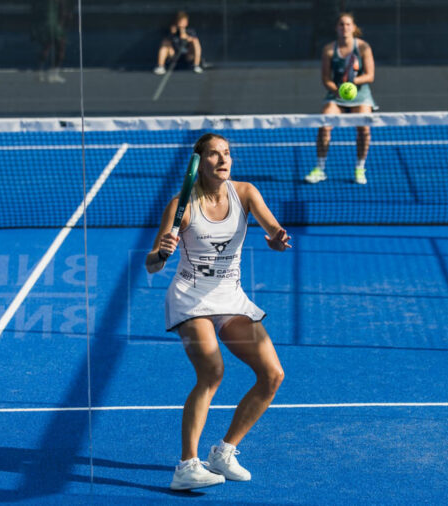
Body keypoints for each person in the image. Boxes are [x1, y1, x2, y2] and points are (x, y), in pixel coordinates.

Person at [146, 133, 290, 491]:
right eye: (214, 154)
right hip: (191, 298)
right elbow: (151, 265)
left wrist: (275, 238)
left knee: (272, 375)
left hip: (229, 297)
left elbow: (272, 229)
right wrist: (162, 251)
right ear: (200, 163)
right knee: (212, 372)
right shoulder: (183, 205)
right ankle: (186, 466)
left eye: (227, 153)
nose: (223, 160)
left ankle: (224, 452)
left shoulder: (245, 194)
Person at [305, 12, 376, 185]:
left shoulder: (364, 47)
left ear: (354, 28)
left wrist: (351, 82)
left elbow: (370, 76)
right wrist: (337, 90)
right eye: (341, 25)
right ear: (337, 28)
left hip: (360, 95)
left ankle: (360, 168)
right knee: (324, 126)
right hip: (336, 94)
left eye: (348, 24)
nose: (345, 28)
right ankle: (320, 169)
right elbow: (326, 78)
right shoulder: (329, 49)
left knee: (364, 130)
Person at [32, 0, 72, 83]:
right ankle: (52, 73)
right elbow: (63, 11)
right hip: (52, 25)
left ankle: (40, 71)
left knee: (47, 46)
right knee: (59, 47)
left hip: (47, 24)